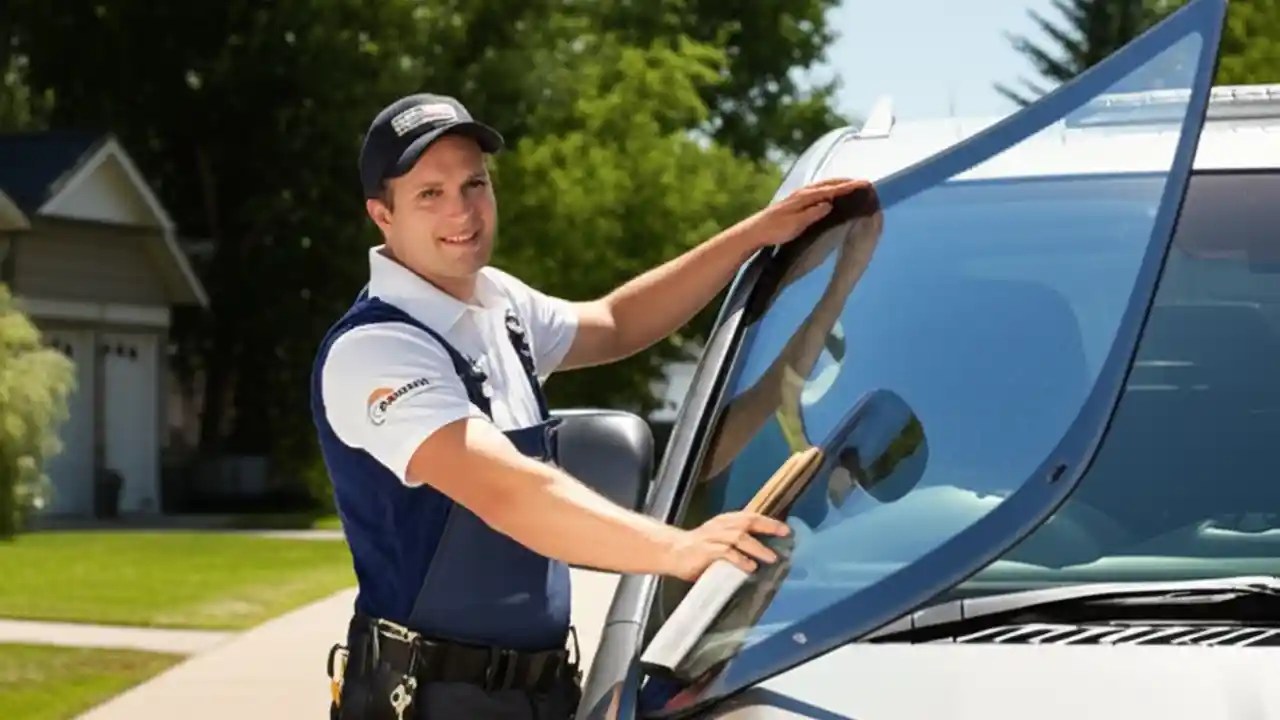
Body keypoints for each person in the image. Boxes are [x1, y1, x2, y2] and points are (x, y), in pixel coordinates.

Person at [310, 92, 872, 720]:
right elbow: (505, 490)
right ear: (381, 215)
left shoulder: (500, 306)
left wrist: (756, 235)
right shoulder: (376, 349)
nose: (462, 210)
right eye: (429, 194)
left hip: (540, 693)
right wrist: (678, 549)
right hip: (429, 700)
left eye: (475, 183)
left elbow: (615, 322)